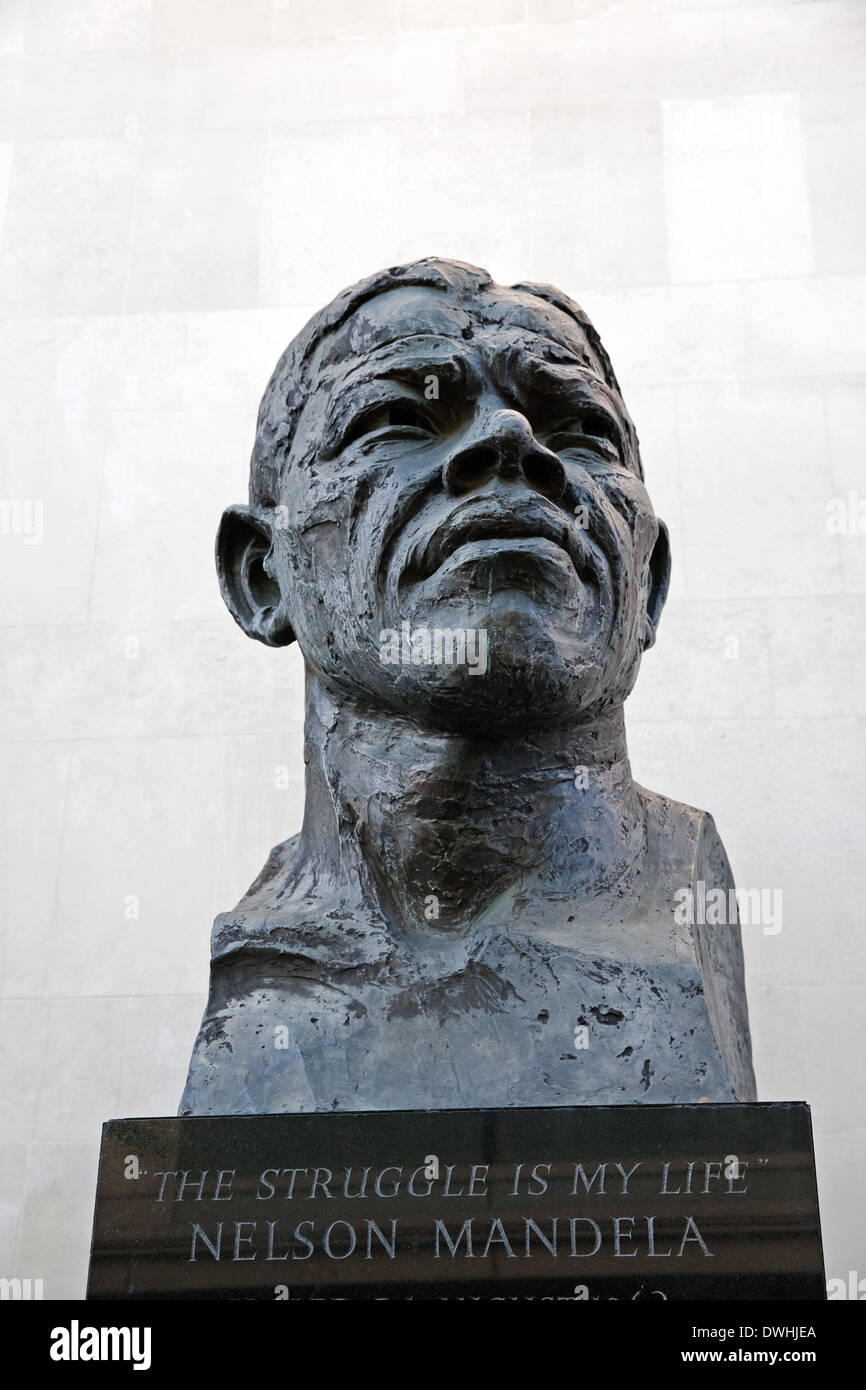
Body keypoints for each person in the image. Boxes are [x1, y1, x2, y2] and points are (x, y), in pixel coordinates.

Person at [181, 257, 755, 1115]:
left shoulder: (686, 906)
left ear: (649, 587)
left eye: (580, 431)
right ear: (264, 579)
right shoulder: (263, 971)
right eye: (397, 418)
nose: (513, 439)